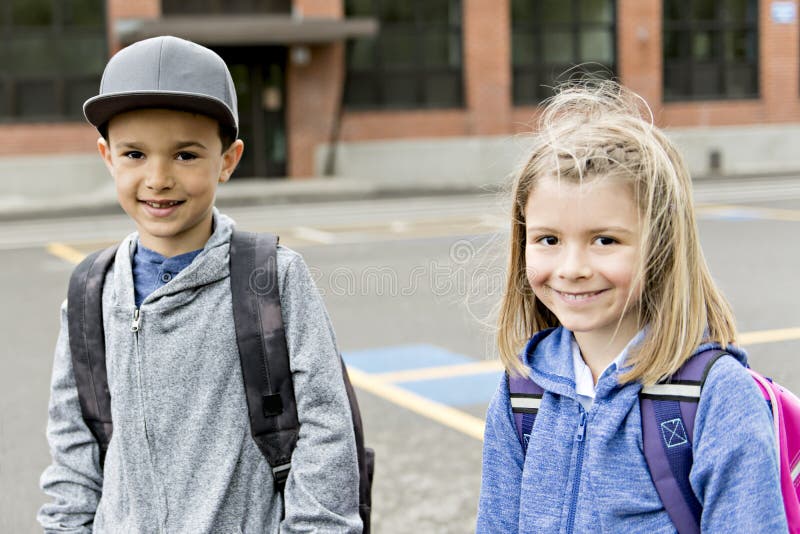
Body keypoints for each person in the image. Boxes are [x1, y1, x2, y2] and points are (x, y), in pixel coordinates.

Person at [38, 36, 362, 533]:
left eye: (185, 155)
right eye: (134, 153)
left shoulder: (271, 277)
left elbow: (326, 434)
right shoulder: (90, 293)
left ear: (227, 160)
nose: (158, 178)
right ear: (107, 156)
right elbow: (73, 452)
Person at [477, 80, 787, 532]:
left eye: (604, 240)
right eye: (548, 239)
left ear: (660, 246)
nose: (572, 268)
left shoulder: (716, 397)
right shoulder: (521, 393)